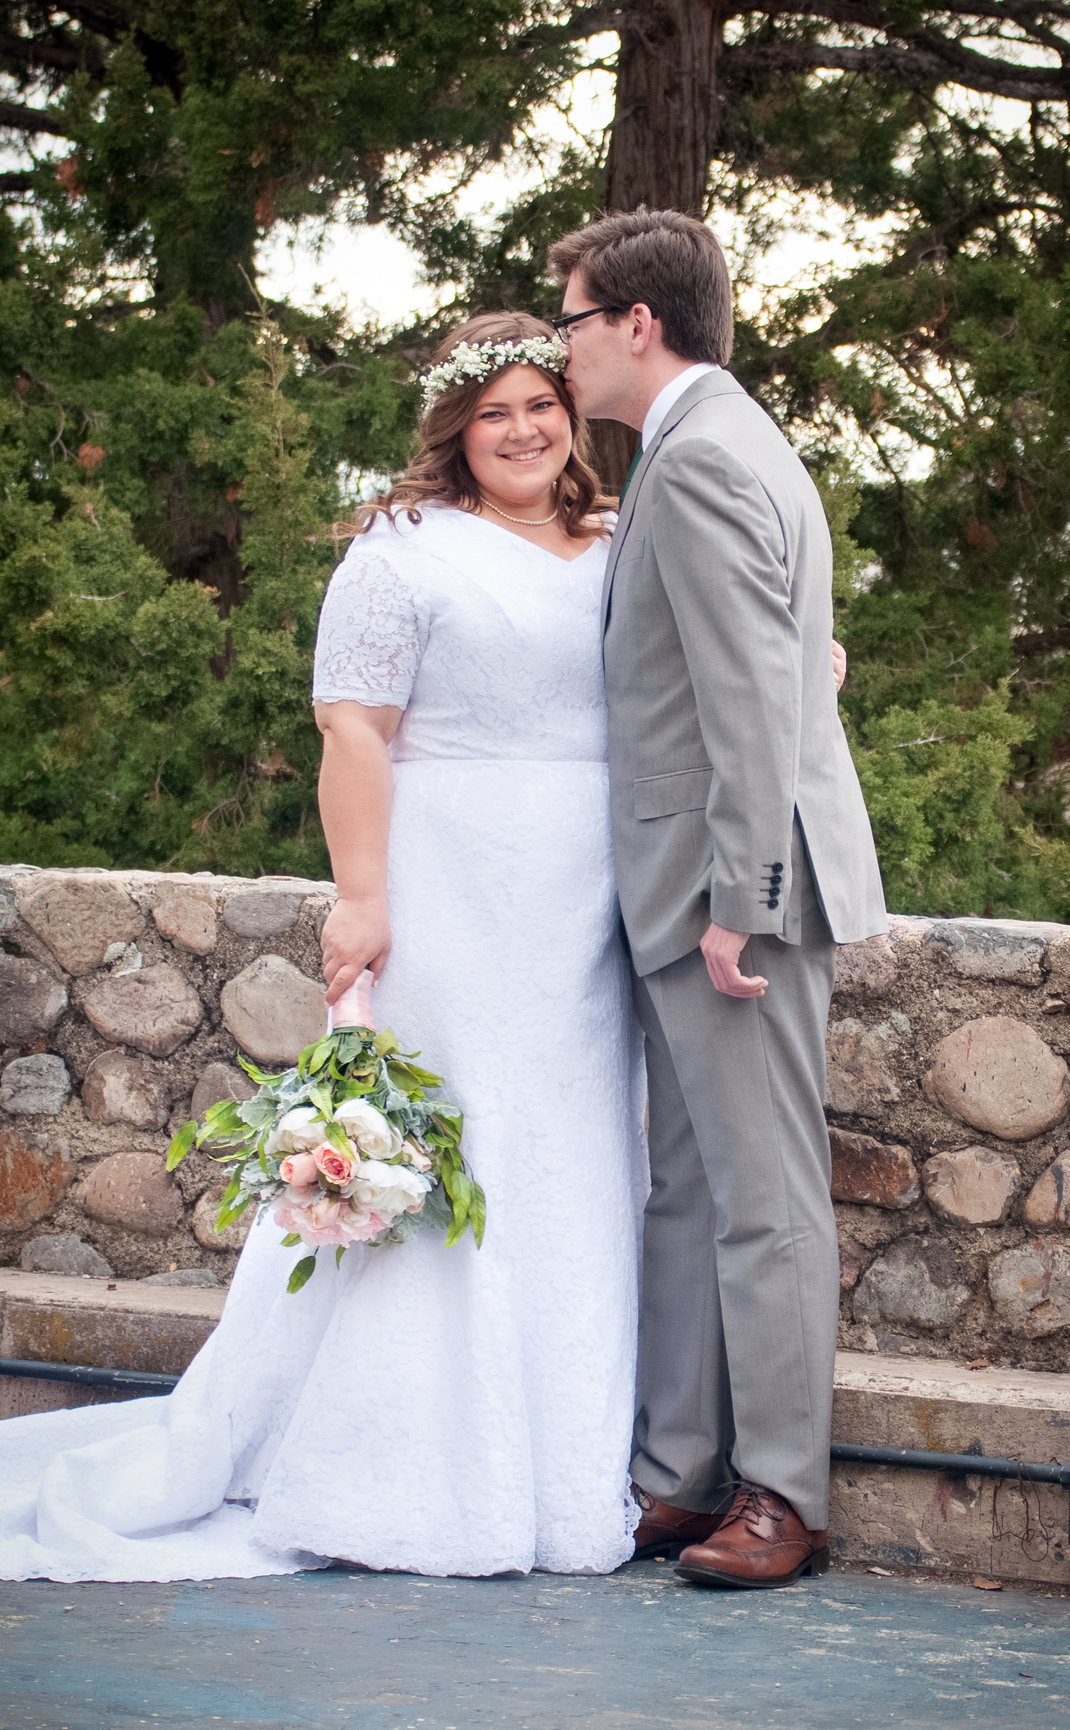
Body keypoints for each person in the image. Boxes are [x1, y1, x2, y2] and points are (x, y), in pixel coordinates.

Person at [0, 307, 848, 1586]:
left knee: (581, 1147)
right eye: (491, 411)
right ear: (454, 428)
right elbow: (353, 732)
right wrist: (360, 895)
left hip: (601, 891)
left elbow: (717, 661)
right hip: (455, 882)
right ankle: (416, 1457)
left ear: (572, 414)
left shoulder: (622, 538)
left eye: (539, 405)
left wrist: (807, 670)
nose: (521, 429)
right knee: (464, 1129)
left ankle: (589, 1456)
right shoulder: (399, 550)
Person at [547, 210, 888, 1590]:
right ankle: (677, 1474)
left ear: (637, 324)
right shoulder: (716, 443)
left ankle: (780, 1495)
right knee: (687, 1191)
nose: (562, 350)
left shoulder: (696, 461)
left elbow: (757, 701)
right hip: (691, 889)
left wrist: (740, 898)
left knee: (762, 1199)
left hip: (729, 894)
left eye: (570, 322)